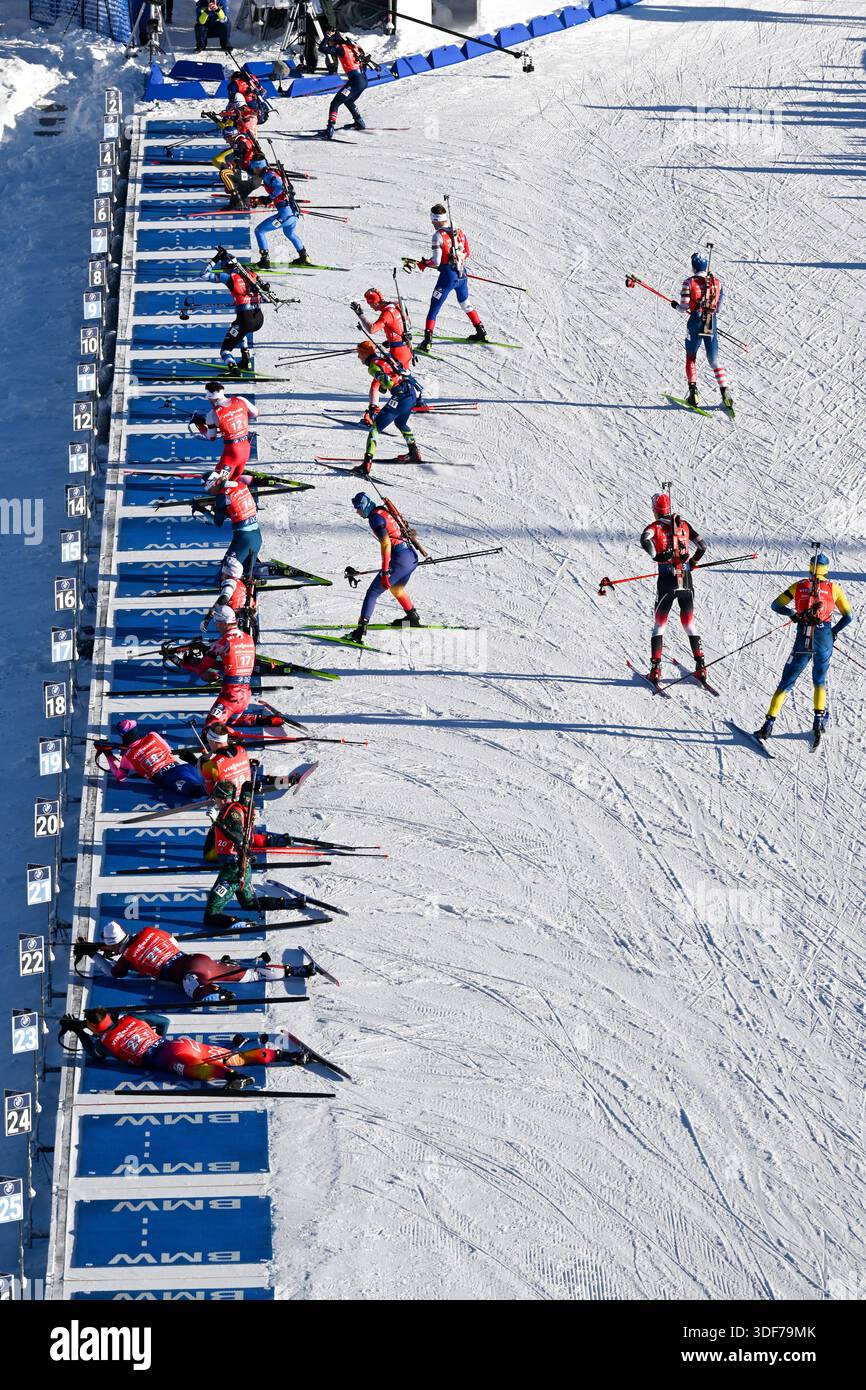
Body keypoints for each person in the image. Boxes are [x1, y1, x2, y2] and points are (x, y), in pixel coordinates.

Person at [59, 1008, 310, 1090]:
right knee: (234, 1057)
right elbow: (163, 1022)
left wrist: (79, 1031)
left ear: (94, 1027)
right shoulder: (129, 1018)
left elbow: (94, 1055)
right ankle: (287, 1055)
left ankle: (232, 1078)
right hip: (178, 1043)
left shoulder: (105, 1043)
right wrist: (154, 1038)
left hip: (166, 1057)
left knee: (198, 1071)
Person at [74, 920, 309, 1003]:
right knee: (253, 973)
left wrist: (93, 954)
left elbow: (113, 974)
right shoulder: (148, 932)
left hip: (187, 973)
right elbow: (173, 942)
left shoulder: (126, 958)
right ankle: (294, 970)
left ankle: (216, 992)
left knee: (194, 991)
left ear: (113, 945)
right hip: (196, 959)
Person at [755, 551, 852, 746]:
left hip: (804, 636)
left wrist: (793, 614)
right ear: (827, 570)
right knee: (819, 680)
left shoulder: (799, 586)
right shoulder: (834, 588)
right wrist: (834, 631)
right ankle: (817, 723)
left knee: (787, 680)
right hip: (824, 637)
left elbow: (776, 605)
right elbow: (848, 616)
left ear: (810, 568)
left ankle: (768, 724)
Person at [163, 605, 278, 730]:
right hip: (245, 696)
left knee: (210, 729)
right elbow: (231, 665)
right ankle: (263, 720)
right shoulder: (248, 638)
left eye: (217, 623)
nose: (216, 626)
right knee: (232, 721)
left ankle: (229, 738)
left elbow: (201, 669)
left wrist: (180, 662)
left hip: (230, 697)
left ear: (223, 623)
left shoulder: (222, 642)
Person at [639, 491, 707, 686]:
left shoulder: (655, 526)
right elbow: (702, 546)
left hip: (666, 580)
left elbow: (645, 539)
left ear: (655, 510)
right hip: (685, 579)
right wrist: (693, 562)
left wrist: (656, 556)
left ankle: (655, 670)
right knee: (689, 623)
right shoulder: (684, 525)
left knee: (660, 624)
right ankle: (701, 666)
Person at [344, 492, 421, 645]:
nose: (357, 511)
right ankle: (412, 618)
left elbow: (385, 543)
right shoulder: (382, 510)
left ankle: (360, 633)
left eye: (358, 507)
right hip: (410, 557)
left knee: (372, 592)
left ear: (365, 505)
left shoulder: (374, 517)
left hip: (399, 560)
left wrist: (385, 571)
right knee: (397, 589)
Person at [407, 204, 487, 353]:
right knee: (465, 302)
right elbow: (467, 252)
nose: (432, 224)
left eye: (432, 221)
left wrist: (425, 263)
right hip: (462, 274)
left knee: (434, 307)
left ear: (436, 220)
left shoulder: (437, 236)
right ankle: (480, 331)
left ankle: (427, 342)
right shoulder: (459, 232)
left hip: (448, 277)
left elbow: (436, 261)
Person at [671, 251, 733, 412]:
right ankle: (725, 392)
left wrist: (676, 305)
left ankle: (693, 394)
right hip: (710, 321)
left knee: (691, 357)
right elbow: (718, 308)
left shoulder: (688, 283)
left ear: (693, 266)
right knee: (714, 360)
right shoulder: (717, 283)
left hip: (695, 322)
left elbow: (683, 307)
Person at [95, 719, 205, 800]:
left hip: (167, 778)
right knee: (207, 779)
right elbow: (168, 749)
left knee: (195, 792)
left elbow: (120, 777)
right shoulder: (153, 735)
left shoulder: (127, 758)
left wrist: (108, 754)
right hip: (181, 767)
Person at [356, 344, 423, 475]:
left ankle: (366, 464)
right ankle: (414, 452)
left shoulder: (372, 367)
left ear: (365, 354)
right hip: (411, 394)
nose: (359, 357)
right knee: (400, 423)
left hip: (401, 396)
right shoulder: (385, 358)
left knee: (374, 429)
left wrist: (387, 384)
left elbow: (387, 382)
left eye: (359, 354)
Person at [351, 289, 412, 424]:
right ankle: (415, 399)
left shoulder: (386, 313)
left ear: (375, 302)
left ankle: (372, 414)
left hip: (398, 352)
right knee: (403, 377)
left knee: (377, 381)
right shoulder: (396, 305)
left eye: (371, 304)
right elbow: (404, 322)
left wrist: (360, 315)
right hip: (406, 349)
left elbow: (372, 329)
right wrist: (392, 340)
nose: (371, 308)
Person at [201, 249, 265, 374]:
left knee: (225, 350)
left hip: (245, 320)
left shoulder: (229, 277)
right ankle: (246, 360)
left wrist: (215, 259)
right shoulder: (252, 274)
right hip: (259, 318)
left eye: (223, 268)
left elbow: (203, 274)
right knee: (237, 329)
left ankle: (233, 367)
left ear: (225, 267)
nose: (223, 271)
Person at [191, 378, 258, 474]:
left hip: (231, 452)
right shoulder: (240, 399)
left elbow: (211, 437)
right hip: (246, 447)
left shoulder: (212, 414)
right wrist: (237, 417)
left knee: (215, 485)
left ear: (210, 398)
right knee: (234, 478)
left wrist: (200, 426)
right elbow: (256, 413)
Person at [252, 166, 309, 270]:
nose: (254, 170)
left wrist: (270, 198)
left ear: (259, 166)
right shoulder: (274, 173)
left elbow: (279, 187)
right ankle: (304, 257)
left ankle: (264, 260)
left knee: (259, 231)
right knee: (289, 233)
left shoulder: (268, 175)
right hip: (293, 214)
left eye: (254, 168)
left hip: (285, 216)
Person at [318, 29, 369, 139]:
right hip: (363, 80)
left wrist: (327, 36)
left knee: (335, 103)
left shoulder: (340, 48)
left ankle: (330, 129)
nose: (329, 43)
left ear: (334, 40)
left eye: (330, 41)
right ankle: (359, 122)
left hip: (355, 81)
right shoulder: (353, 46)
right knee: (348, 100)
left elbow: (322, 48)